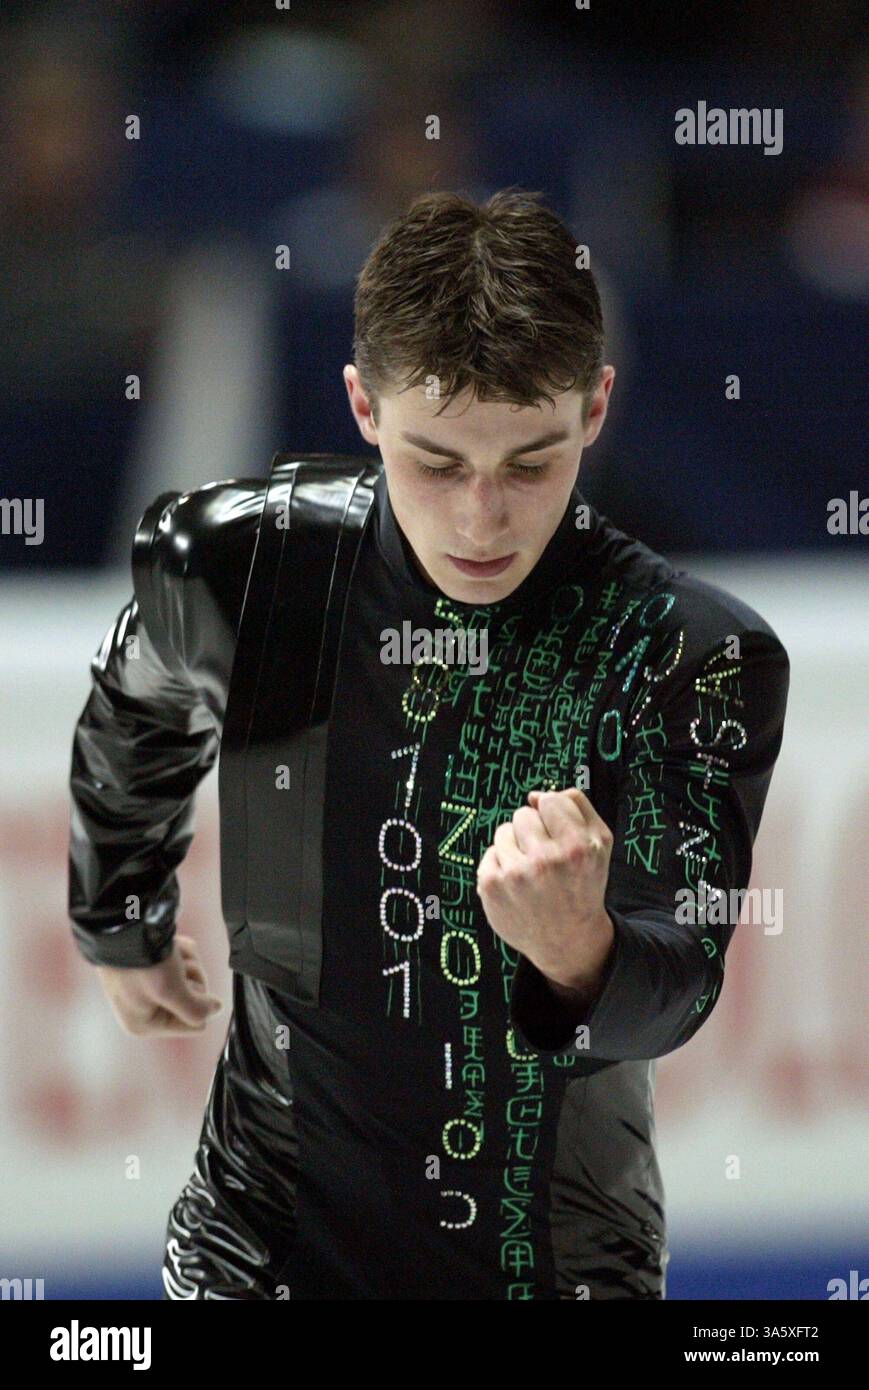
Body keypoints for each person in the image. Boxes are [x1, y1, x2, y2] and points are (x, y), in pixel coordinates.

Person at [68, 188, 790, 1300]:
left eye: (529, 463)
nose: (480, 522)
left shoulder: (691, 653)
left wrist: (578, 947)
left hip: (553, 1266)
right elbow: (136, 706)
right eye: (438, 462)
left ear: (596, 408)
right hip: (255, 1250)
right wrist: (121, 912)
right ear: (362, 405)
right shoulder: (243, 563)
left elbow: (683, 979)